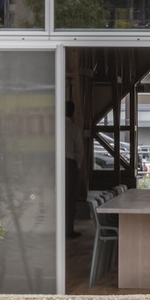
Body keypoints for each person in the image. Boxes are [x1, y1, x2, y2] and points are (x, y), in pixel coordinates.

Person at [64, 97, 83, 238]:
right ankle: (68, 230)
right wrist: (78, 166)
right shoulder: (74, 129)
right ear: (73, 113)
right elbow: (80, 150)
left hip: (54, 163)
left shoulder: (55, 128)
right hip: (69, 163)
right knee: (69, 199)